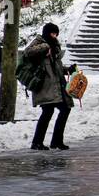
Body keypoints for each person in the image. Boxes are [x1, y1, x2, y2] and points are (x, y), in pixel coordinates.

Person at [24, 22, 73, 151]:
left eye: (56, 34)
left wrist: (68, 70)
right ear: (47, 33)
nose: (55, 36)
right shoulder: (40, 42)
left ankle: (56, 141)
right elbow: (27, 52)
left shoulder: (54, 46)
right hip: (44, 87)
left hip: (56, 86)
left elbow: (56, 66)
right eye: (52, 33)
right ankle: (37, 142)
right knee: (48, 112)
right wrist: (45, 47)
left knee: (65, 109)